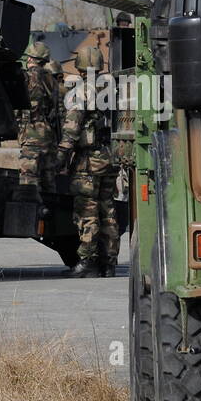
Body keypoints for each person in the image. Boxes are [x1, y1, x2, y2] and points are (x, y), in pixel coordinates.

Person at [58, 45, 119, 278]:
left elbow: (71, 131)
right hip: (111, 157)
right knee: (108, 208)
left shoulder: (82, 91)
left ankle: (88, 261)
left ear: (81, 65)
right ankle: (110, 262)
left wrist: (60, 158)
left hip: (88, 162)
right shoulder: (115, 88)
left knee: (87, 210)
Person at [16, 41, 57, 202]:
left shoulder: (25, 77)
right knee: (48, 182)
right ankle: (49, 221)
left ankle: (28, 221)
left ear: (31, 58)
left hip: (31, 133)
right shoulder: (51, 80)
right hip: (48, 134)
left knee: (28, 181)